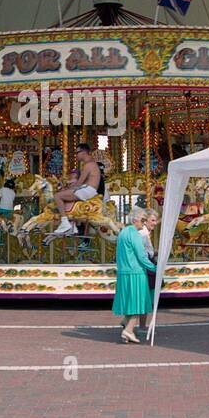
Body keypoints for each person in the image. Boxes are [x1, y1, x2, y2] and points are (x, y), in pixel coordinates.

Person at [112, 208, 156, 344]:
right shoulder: (135, 235)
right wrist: (154, 268)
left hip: (123, 272)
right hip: (136, 273)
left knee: (130, 302)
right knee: (137, 303)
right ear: (135, 219)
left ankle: (126, 323)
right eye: (143, 220)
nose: (144, 223)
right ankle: (128, 330)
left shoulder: (123, 233)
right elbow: (142, 257)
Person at [50, 143, 102, 239]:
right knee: (66, 196)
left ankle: (65, 222)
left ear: (84, 152)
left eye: (77, 152)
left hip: (87, 190)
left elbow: (79, 183)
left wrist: (66, 188)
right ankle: (72, 226)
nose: (76, 155)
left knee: (57, 196)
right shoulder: (91, 163)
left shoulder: (88, 165)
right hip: (88, 189)